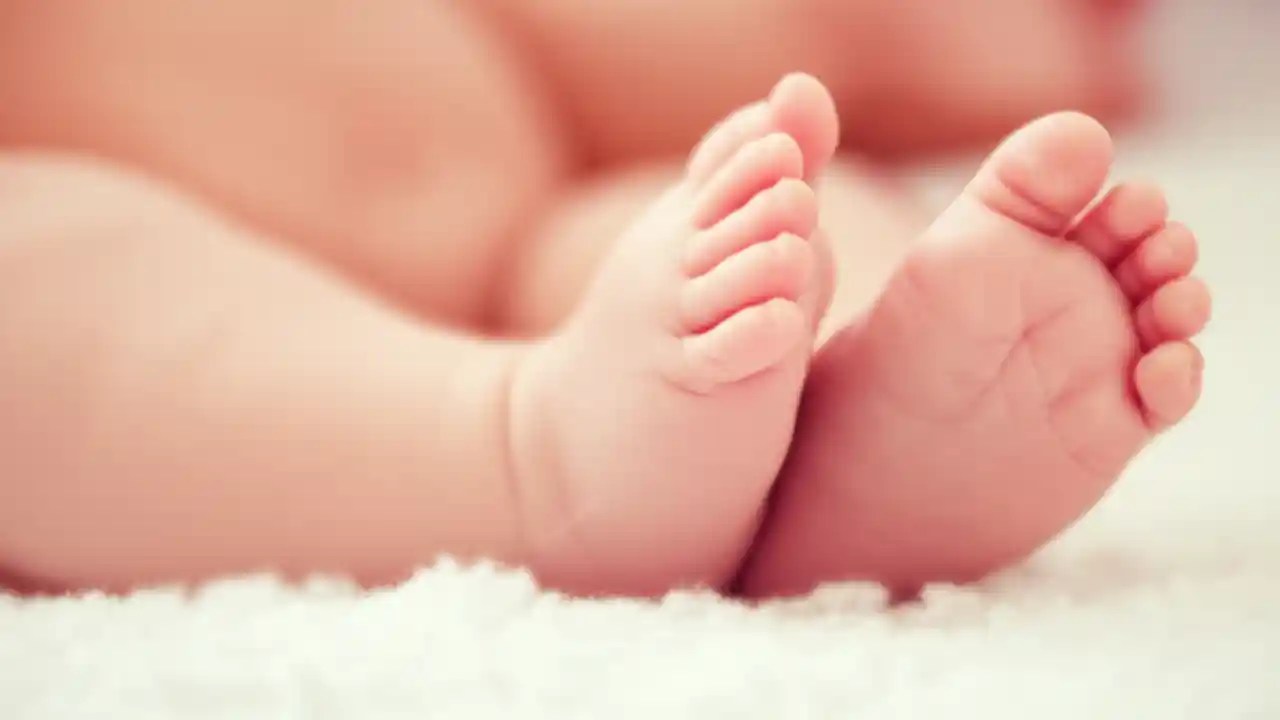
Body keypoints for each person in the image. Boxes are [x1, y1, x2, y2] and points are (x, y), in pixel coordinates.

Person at [0, 1, 1208, 598]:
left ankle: (846, 416)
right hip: (72, 191)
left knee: (747, 220)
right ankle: (522, 461)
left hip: (520, 256)